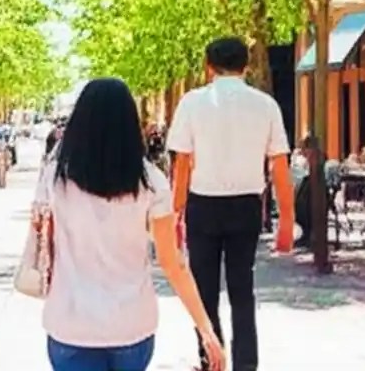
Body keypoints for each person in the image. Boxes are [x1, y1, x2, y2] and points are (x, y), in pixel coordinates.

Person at [34, 78, 225, 371]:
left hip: (70, 324)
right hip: (131, 325)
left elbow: (43, 239)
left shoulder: (55, 177)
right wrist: (206, 329)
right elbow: (173, 263)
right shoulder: (151, 182)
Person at [169, 37, 294, 371]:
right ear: (246, 66)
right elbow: (279, 165)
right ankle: (246, 365)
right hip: (246, 207)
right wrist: (286, 220)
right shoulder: (265, 105)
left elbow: (182, 163)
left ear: (208, 67)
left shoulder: (192, 103)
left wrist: (176, 212)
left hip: (203, 205)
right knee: (243, 290)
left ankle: (211, 360)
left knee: (204, 291)